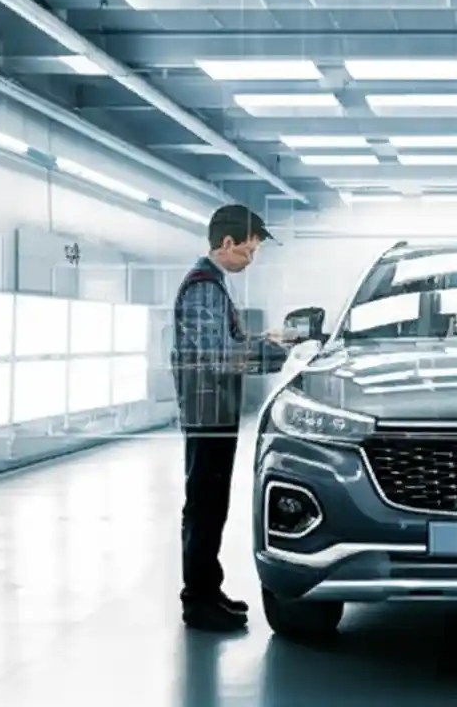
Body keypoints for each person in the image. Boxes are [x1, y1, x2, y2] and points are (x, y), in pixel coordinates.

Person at [170, 204, 290, 631]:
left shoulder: (215, 286)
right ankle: (197, 600)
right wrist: (279, 353)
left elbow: (226, 343)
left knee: (212, 504)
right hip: (207, 414)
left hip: (214, 411)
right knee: (204, 505)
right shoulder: (204, 286)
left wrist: (269, 339)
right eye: (249, 251)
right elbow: (220, 356)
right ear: (227, 244)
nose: (250, 259)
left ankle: (208, 589)